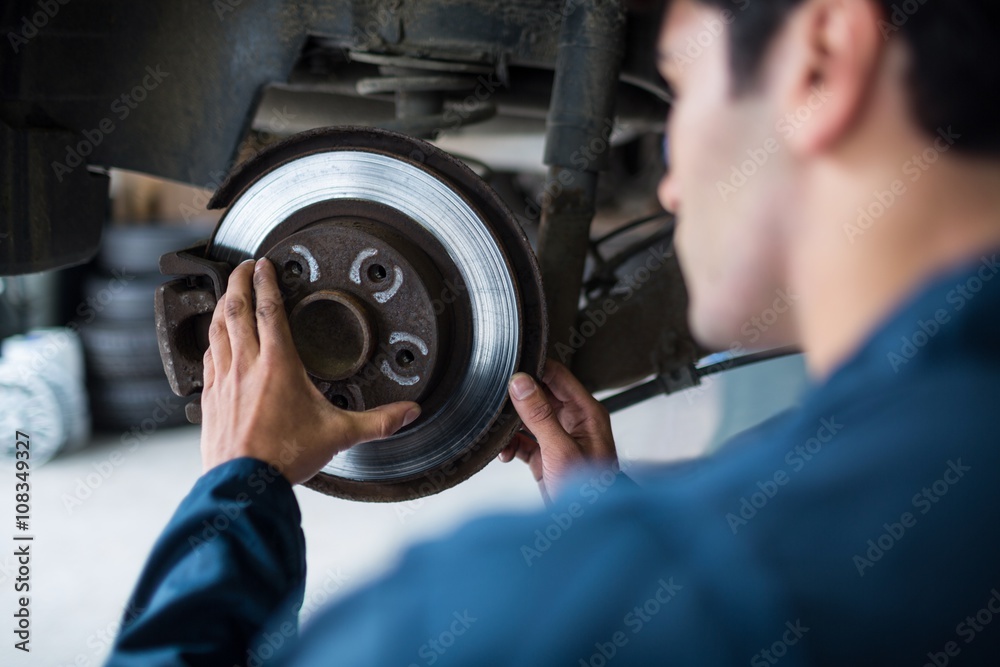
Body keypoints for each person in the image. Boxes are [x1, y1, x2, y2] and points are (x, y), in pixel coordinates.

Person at [108, 0, 1000, 664]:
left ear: (820, 58)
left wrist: (238, 491)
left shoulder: (546, 604)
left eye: (680, 87)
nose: (668, 186)